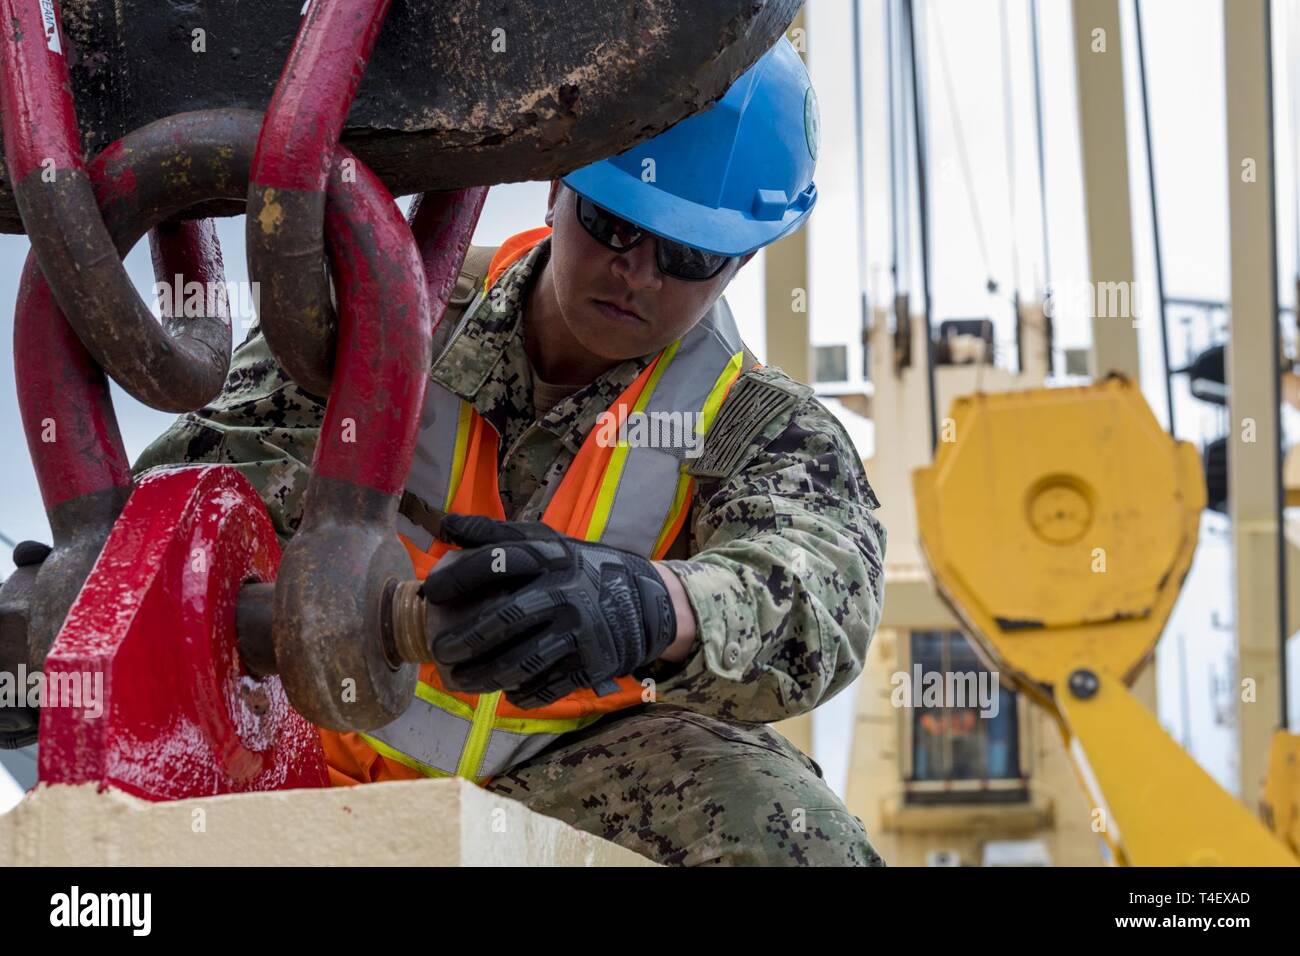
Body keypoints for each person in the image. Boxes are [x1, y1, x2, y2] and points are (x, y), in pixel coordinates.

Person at [135, 37, 888, 866]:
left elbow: (824, 585)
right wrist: (89, 590)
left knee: (799, 839)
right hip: (313, 752)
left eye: (686, 256)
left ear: (740, 262)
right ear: (560, 185)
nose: (635, 273)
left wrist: (652, 606)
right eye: (615, 225)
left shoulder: (756, 428)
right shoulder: (391, 315)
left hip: (556, 795)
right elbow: (203, 479)